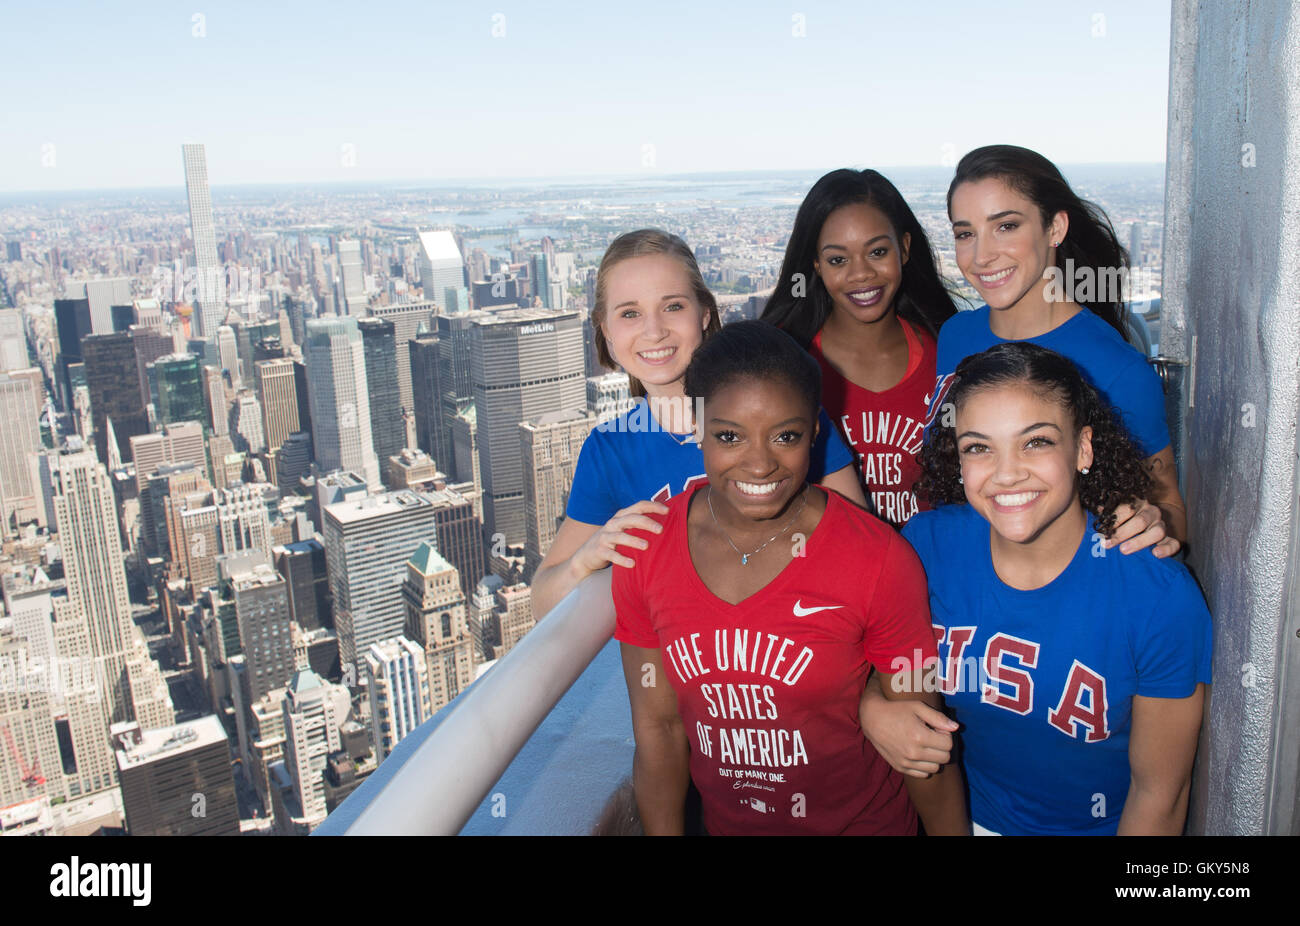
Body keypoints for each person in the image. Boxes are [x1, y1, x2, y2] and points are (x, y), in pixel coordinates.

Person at [612, 321, 967, 835]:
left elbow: (924, 745)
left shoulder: (878, 559)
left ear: (815, 433)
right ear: (697, 426)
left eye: (786, 436)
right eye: (730, 436)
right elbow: (660, 732)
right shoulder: (648, 551)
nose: (760, 464)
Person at [903, 342, 1211, 835]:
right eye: (979, 447)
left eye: (1037, 442)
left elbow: (1160, 794)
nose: (1007, 474)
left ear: (1083, 447)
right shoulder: (926, 548)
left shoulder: (1158, 596)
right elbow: (873, 668)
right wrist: (873, 705)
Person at [530, 229, 866, 621]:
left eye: (672, 306)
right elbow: (543, 601)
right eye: (630, 313)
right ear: (605, 329)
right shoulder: (610, 449)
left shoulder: (781, 409)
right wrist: (585, 560)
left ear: (705, 314)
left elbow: (862, 544)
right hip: (688, 668)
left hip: (796, 645)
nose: (653, 331)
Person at [938, 144, 1185, 557]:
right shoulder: (954, 336)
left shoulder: (1116, 369)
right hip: (963, 583)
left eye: (1006, 226)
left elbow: (1172, 508)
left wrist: (1150, 521)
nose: (981, 256)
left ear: (1055, 228)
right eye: (966, 233)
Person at [764, 168, 959, 527]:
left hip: (938, 574)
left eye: (877, 252)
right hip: (827, 575)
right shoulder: (781, 361)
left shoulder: (949, 351)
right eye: (838, 260)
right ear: (816, 265)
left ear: (904, 248)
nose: (861, 274)